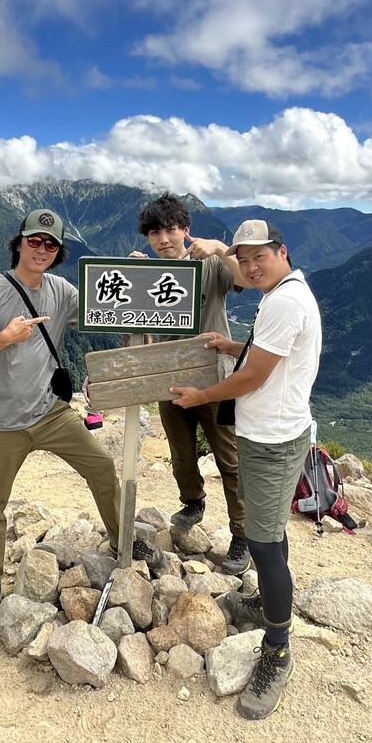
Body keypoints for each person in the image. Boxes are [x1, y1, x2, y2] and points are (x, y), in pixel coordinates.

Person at [0, 207, 142, 628]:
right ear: (18, 243)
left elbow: (107, 306)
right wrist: (4, 338)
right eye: (34, 241)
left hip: (50, 413)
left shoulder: (61, 291)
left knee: (101, 466)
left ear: (58, 252)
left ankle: (122, 541)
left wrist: (135, 277)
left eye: (50, 244)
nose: (41, 249)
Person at [169, 219, 321, 721]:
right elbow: (270, 356)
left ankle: (278, 648)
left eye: (260, 256)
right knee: (269, 532)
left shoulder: (282, 301)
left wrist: (202, 395)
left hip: (273, 440)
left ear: (282, 250)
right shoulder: (287, 291)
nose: (251, 267)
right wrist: (233, 346)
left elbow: (256, 376)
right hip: (274, 432)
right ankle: (269, 606)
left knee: (261, 541)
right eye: (244, 258)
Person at [131, 193, 251, 574]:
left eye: (170, 229)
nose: (163, 239)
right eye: (155, 232)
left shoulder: (211, 263)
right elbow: (132, 316)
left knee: (229, 460)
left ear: (185, 230)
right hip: (169, 380)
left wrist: (220, 247)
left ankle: (242, 534)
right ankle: (193, 501)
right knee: (181, 453)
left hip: (215, 377)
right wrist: (130, 273)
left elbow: (246, 277)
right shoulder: (151, 274)